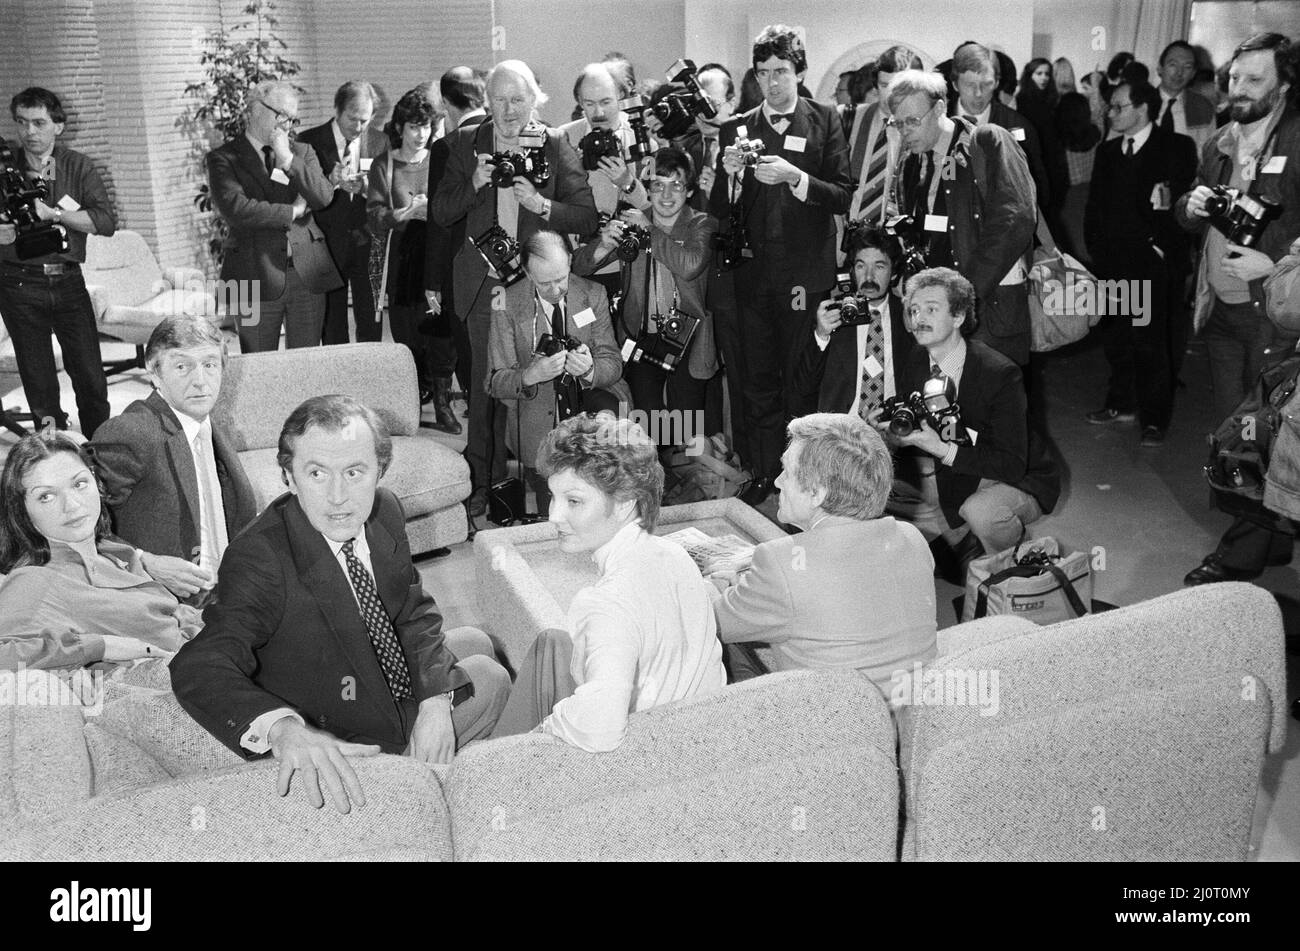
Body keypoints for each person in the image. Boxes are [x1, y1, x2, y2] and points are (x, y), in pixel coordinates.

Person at [170, 394, 510, 814]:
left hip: (369, 671)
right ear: (288, 478)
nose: (337, 497)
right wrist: (283, 729)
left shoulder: (384, 509)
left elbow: (411, 607)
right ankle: (436, 800)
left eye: (354, 472)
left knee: (476, 641)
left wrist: (436, 702)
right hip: (342, 728)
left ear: (379, 472)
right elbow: (200, 664)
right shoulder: (260, 559)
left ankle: (439, 783)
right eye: (316, 473)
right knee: (490, 677)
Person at [491, 412, 726, 752]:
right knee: (552, 642)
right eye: (553, 496)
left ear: (624, 504)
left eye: (574, 501)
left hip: (640, 761)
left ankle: (494, 765)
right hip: (695, 742)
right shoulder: (674, 556)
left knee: (521, 739)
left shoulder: (603, 603)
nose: (554, 515)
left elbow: (599, 729)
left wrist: (544, 730)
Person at [430, 59, 598, 519]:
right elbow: (440, 213)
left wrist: (541, 203)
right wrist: (473, 184)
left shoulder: (554, 142)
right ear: (486, 102)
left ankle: (547, 485)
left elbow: (586, 216)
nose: (508, 110)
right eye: (499, 99)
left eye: (518, 99)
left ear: (535, 101)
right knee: (485, 394)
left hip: (535, 288)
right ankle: (480, 486)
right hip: (482, 287)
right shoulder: (465, 142)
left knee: (537, 389)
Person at [709, 24, 854, 506]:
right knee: (757, 380)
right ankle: (767, 470)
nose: (773, 82)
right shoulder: (738, 128)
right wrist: (729, 179)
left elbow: (842, 192)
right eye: (764, 72)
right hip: (753, 277)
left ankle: (808, 477)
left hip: (805, 277)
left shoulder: (826, 119)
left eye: (782, 71)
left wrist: (797, 178)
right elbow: (718, 210)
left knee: (803, 379)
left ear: (800, 71)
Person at [1178, 33, 1300, 586]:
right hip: (1221, 311)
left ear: (1284, 83)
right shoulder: (1222, 141)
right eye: (1234, 78)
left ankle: (1239, 557)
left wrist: (1270, 266)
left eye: (1255, 80)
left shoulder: (1297, 141)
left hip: (1272, 317)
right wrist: (1192, 204)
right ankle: (1271, 536)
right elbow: (1188, 214)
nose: (1240, 89)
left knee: (1260, 438)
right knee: (1239, 428)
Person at [712, 413, 936, 695]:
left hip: (832, 731)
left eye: (787, 472)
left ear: (817, 493)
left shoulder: (779, 563)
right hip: (916, 724)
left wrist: (720, 585)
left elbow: (711, 621)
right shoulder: (912, 538)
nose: (778, 482)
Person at [870, 268, 1060, 579]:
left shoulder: (999, 373)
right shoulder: (918, 361)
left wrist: (942, 449)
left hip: (1018, 475)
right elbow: (921, 428)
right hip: (961, 464)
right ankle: (960, 540)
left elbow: (1011, 464)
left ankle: (1016, 566)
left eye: (932, 309)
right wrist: (894, 434)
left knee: (981, 512)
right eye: (914, 310)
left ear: (959, 317)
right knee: (888, 487)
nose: (918, 318)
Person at [89, 315, 257, 603]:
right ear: (155, 373)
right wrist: (144, 561)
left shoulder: (211, 424)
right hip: (171, 604)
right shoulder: (131, 432)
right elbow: (76, 526)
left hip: (228, 587)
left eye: (209, 364)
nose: (200, 381)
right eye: (182, 367)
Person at [0, 432, 199, 670]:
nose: (72, 505)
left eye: (79, 484)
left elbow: (172, 619)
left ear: (96, 483)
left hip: (209, 654)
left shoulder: (114, 552)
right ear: (22, 511)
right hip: (180, 688)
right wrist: (100, 646)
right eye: (47, 496)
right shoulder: (34, 580)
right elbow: (5, 655)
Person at [886, 69, 1037, 367]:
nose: (905, 131)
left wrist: (963, 296)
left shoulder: (987, 142)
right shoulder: (912, 163)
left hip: (987, 317)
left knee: (992, 408)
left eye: (913, 121)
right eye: (899, 123)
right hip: (938, 321)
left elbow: (1015, 220)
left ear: (940, 108)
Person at [573, 146, 719, 445]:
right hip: (641, 334)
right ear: (648, 190)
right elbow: (580, 266)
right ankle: (657, 480)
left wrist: (649, 228)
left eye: (676, 186)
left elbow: (689, 265)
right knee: (647, 422)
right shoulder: (634, 220)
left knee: (686, 426)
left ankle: (689, 480)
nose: (666, 195)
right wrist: (603, 244)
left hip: (688, 337)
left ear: (689, 191)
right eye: (658, 186)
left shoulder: (701, 223)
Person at [1083, 79, 1198, 448]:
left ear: (1142, 108)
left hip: (1152, 265)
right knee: (1117, 338)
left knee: (1150, 342)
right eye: (1110, 108)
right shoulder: (1109, 151)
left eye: (1118, 107)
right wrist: (1096, 251)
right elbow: (1095, 206)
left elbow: (1182, 208)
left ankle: (1154, 418)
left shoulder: (1175, 147)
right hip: (1113, 262)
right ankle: (1120, 403)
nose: (1111, 114)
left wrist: (1162, 251)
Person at [486, 231, 629, 516]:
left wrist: (589, 369)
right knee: (553, 514)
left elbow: (613, 362)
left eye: (561, 279)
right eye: (544, 283)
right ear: (526, 272)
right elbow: (494, 381)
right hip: (539, 411)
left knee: (603, 493)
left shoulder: (593, 293)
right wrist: (530, 375)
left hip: (590, 399)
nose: (555, 290)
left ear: (571, 262)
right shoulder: (506, 303)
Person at [0, 87, 115, 437]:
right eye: (22, 123)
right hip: (18, 284)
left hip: (67, 282)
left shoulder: (76, 166)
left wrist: (58, 215)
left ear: (58, 126)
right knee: (40, 385)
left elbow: (105, 223)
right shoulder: (5, 166)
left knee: (90, 377)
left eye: (39, 123)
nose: (29, 132)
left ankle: (102, 447)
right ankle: (53, 447)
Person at [206, 80, 341, 353]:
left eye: (292, 118)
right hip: (251, 274)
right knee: (258, 365)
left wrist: (288, 159)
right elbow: (238, 210)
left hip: (306, 271)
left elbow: (324, 196)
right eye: (281, 115)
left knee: (307, 362)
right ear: (254, 110)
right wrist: (294, 211)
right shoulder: (223, 158)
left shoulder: (301, 152)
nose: (286, 125)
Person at [422, 67, 488, 435]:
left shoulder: (448, 145)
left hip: (461, 269)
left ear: (447, 103)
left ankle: (482, 443)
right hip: (504, 265)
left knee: (470, 359)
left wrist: (432, 281)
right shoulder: (503, 135)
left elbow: (439, 220)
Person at [297, 81, 386, 346]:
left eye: (365, 121)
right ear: (337, 110)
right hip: (325, 242)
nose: (358, 128)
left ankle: (370, 373)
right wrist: (328, 180)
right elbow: (298, 193)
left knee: (371, 319)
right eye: (352, 119)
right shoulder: (308, 141)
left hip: (367, 241)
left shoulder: (380, 141)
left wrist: (367, 189)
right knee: (332, 322)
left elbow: (389, 192)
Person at [368, 88, 439, 407]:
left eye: (425, 126)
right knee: (405, 329)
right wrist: (405, 213)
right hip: (401, 258)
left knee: (437, 329)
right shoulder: (384, 165)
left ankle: (440, 398)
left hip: (435, 253)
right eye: (414, 126)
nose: (421, 134)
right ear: (400, 128)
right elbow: (375, 216)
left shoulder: (440, 160)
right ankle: (413, 391)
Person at [794, 224, 914, 414]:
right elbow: (803, 388)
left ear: (895, 273)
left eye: (879, 266)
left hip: (892, 431)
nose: (868, 276)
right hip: (842, 431)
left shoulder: (909, 316)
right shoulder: (832, 315)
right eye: (860, 266)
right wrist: (821, 336)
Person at [559, 64, 652, 305]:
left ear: (621, 96)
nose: (598, 112)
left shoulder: (644, 142)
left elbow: (656, 210)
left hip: (633, 266)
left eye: (606, 101)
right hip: (583, 266)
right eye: (589, 104)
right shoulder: (562, 139)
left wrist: (628, 183)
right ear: (579, 101)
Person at [951, 42, 1054, 218]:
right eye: (970, 84)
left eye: (986, 84)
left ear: (997, 82)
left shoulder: (1019, 127)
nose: (978, 93)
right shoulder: (940, 124)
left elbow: (1038, 191)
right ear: (955, 84)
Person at [844, 45, 923, 229]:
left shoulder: (927, 130)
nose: (891, 94)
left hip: (900, 240)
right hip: (852, 240)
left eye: (900, 86)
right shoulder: (849, 118)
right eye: (884, 85)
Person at [1055, 91, 1102, 263]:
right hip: (1094, 193)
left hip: (1070, 199)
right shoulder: (1097, 134)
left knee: (1074, 251)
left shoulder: (1059, 140)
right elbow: (1099, 112)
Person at [1155, 40, 1218, 155]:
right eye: (1173, 65)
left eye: (1187, 67)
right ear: (1160, 68)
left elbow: (1208, 154)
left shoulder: (1203, 107)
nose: (1179, 73)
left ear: (1193, 73)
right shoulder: (1141, 103)